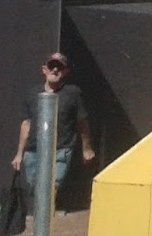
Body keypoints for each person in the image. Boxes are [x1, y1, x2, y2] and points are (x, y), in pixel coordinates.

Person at [11, 52, 95, 204]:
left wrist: (86, 148)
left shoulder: (72, 93)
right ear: (44, 70)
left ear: (66, 71)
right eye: (52, 66)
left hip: (60, 150)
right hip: (34, 150)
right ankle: (40, 226)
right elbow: (26, 124)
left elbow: (82, 121)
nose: (55, 70)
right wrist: (19, 154)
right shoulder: (32, 93)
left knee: (50, 191)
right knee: (36, 191)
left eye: (60, 67)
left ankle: (45, 224)